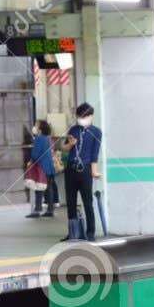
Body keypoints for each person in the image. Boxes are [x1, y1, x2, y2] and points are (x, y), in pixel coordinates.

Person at [60, 102, 102, 241]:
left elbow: (95, 154)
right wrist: (70, 144)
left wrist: (94, 171)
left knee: (87, 201)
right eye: (79, 116)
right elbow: (64, 149)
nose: (80, 119)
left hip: (85, 170)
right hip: (70, 169)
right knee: (71, 202)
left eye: (83, 116)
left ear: (90, 116)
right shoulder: (73, 129)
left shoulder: (96, 132)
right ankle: (72, 233)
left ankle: (90, 233)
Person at [27, 120, 57, 218]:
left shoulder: (38, 139)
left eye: (36, 125)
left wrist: (30, 161)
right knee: (49, 188)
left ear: (40, 129)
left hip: (41, 167)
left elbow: (35, 154)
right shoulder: (48, 139)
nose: (34, 127)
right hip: (50, 167)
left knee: (39, 188)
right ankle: (50, 210)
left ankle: (37, 210)